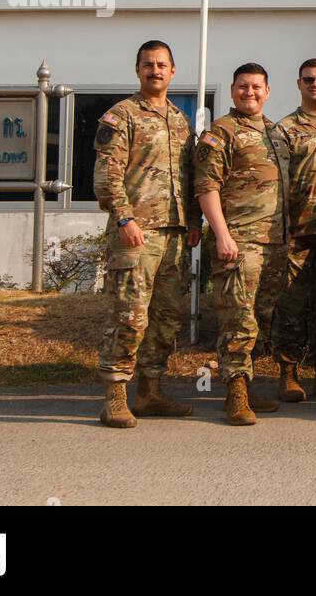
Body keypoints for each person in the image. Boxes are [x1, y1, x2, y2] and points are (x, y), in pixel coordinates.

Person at [93, 40, 201, 428]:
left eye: (162, 65)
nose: (155, 71)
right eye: (148, 65)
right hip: (135, 234)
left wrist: (192, 222)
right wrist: (124, 219)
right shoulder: (120, 116)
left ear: (173, 71)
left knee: (166, 318)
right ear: (137, 70)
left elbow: (188, 177)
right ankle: (115, 396)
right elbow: (107, 175)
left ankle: (150, 391)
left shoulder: (179, 119)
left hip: (173, 234)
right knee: (129, 317)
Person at [194, 63, 292, 426]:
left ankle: (247, 388)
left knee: (260, 318)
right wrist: (221, 234)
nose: (249, 93)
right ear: (233, 90)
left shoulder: (275, 133)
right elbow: (207, 187)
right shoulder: (221, 132)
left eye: (256, 87)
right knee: (238, 319)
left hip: (274, 244)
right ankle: (234, 392)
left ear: (267, 91)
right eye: (243, 87)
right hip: (239, 243)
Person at [270, 58, 316, 402]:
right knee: (291, 305)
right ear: (299, 84)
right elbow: (275, 185)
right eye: (309, 79)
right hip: (296, 232)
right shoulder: (283, 129)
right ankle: (288, 372)